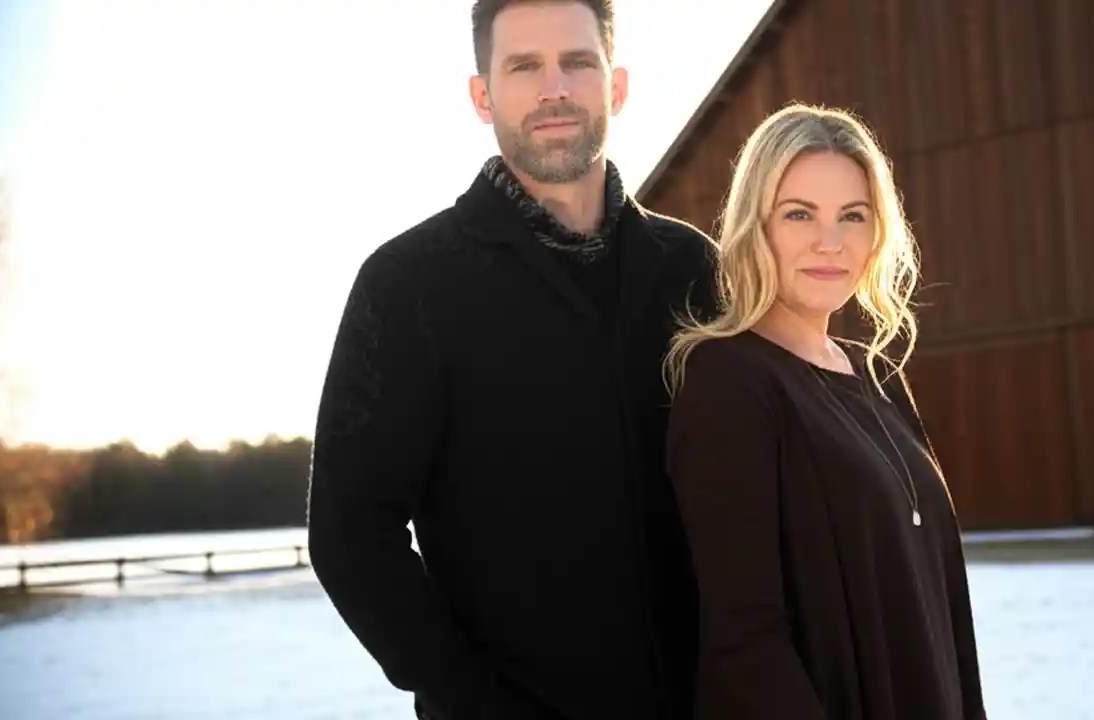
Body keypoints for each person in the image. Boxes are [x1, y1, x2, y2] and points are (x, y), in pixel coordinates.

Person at [305, 1, 718, 718]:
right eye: (523, 66)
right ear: (482, 95)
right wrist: (468, 699)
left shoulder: (694, 270)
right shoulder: (409, 286)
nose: (553, 88)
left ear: (615, 86)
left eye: (577, 63)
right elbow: (349, 534)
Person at [663, 103, 987, 719]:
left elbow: (944, 606)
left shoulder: (878, 374)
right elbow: (745, 644)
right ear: (756, 226)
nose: (830, 242)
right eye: (799, 214)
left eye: (852, 216)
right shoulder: (728, 383)